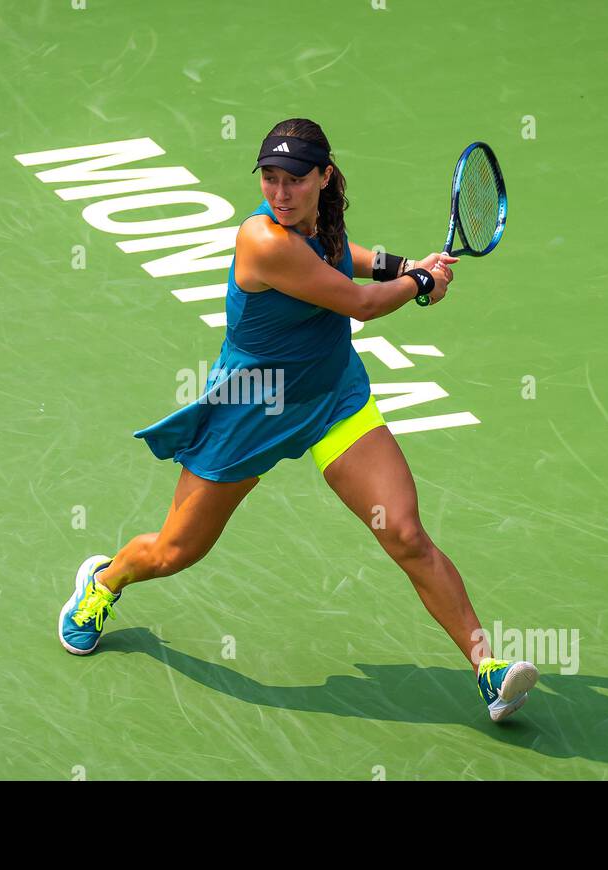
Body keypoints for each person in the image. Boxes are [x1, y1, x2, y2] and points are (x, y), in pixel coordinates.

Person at [58, 118, 538, 722]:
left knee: (406, 535)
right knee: (175, 550)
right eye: (269, 179)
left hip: (330, 398)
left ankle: (486, 669)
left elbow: (344, 256)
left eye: (293, 180)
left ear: (323, 178)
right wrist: (420, 281)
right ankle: (104, 582)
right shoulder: (261, 239)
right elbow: (359, 304)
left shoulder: (317, 224)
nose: (278, 193)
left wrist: (399, 264)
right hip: (251, 411)